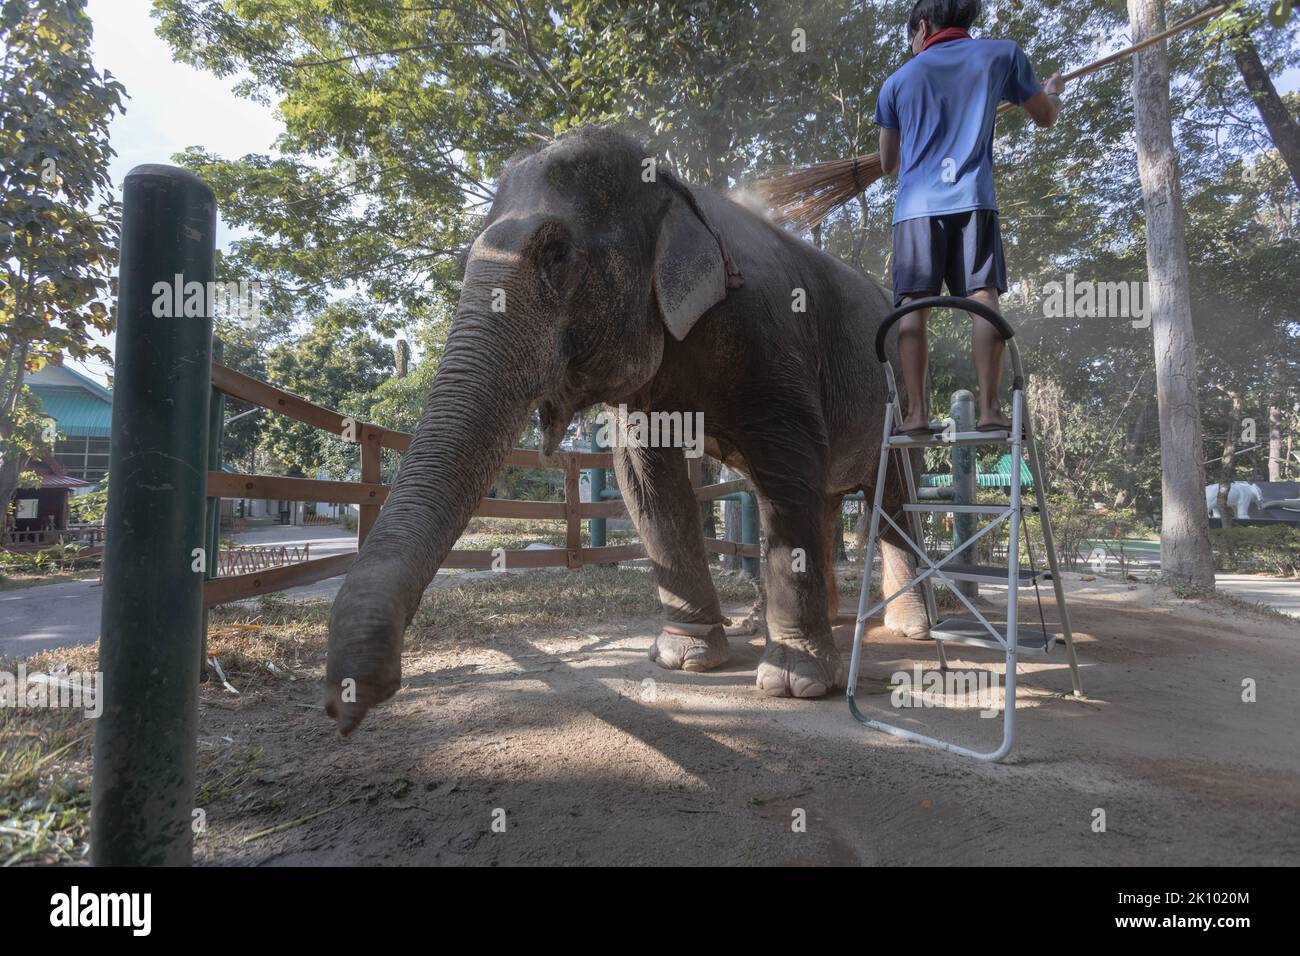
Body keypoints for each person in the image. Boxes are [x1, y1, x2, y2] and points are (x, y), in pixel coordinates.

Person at [874, 0, 1063, 435]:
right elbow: (1045, 116)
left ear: (922, 27)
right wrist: (1052, 90)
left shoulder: (898, 82)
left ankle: (916, 414)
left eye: (911, 40)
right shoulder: (1002, 55)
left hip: (915, 210)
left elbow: (887, 163)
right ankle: (990, 410)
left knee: (912, 307)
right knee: (983, 298)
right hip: (973, 200)